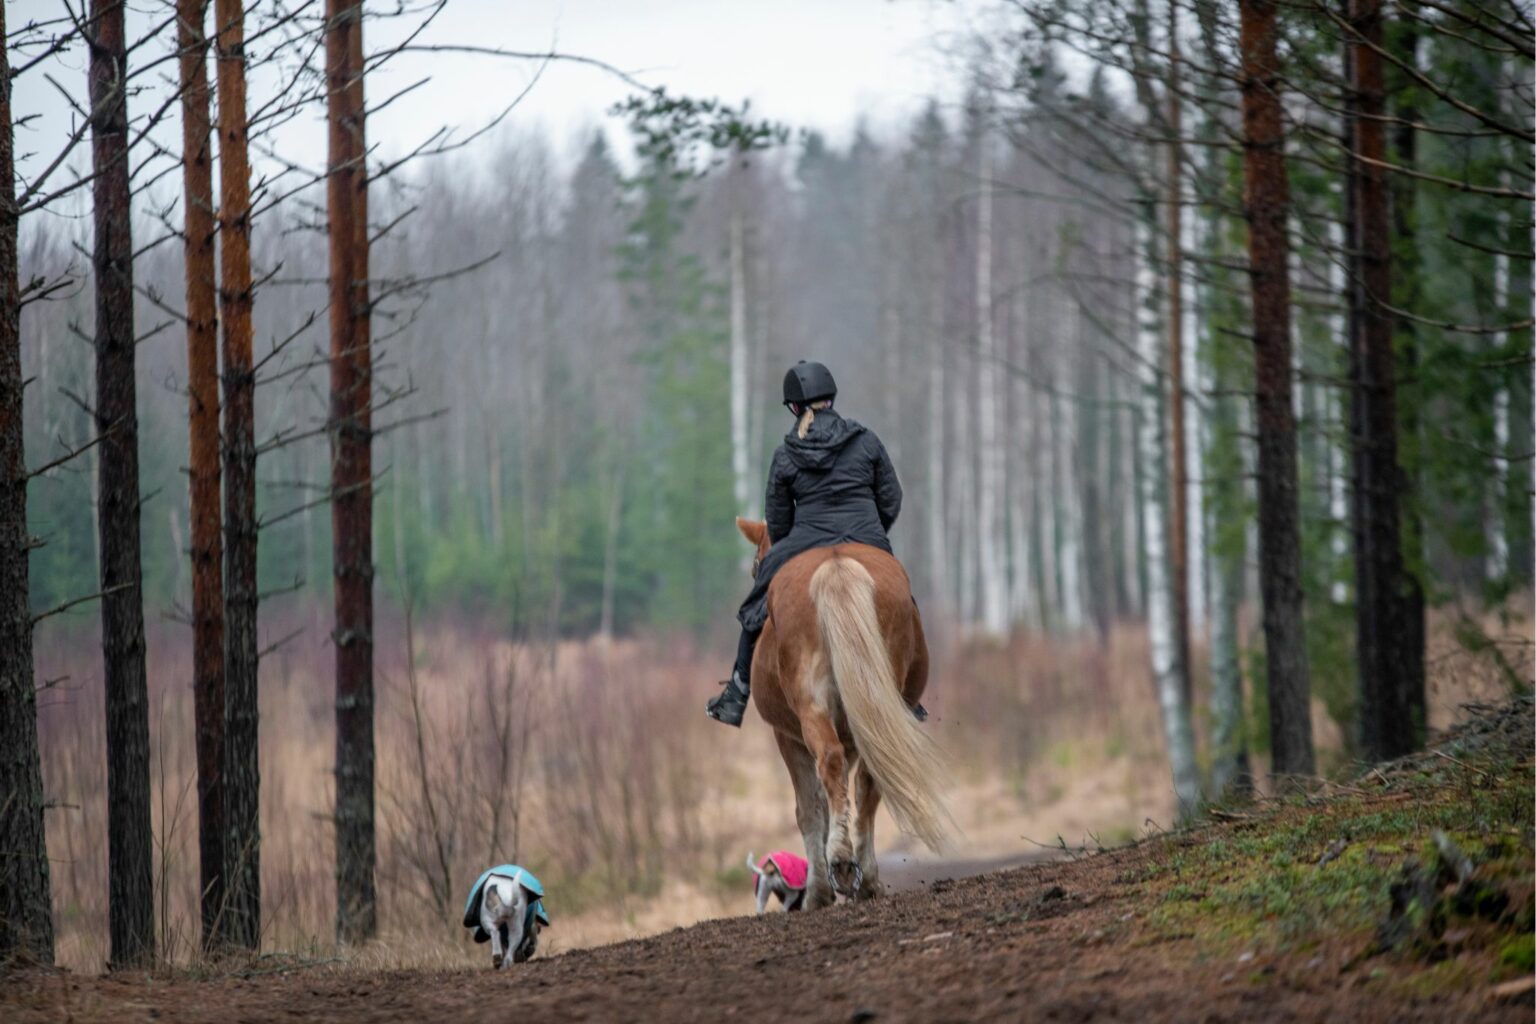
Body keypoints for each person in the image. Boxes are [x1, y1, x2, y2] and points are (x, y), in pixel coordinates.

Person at [706, 360, 904, 728]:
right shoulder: (867, 441)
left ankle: (736, 693)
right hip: (867, 533)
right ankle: (908, 697)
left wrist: (793, 547)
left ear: (794, 407)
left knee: (754, 611)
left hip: (805, 537)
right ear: (831, 397)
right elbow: (891, 499)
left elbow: (778, 522)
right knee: (904, 600)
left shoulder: (786, 454)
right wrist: (872, 537)